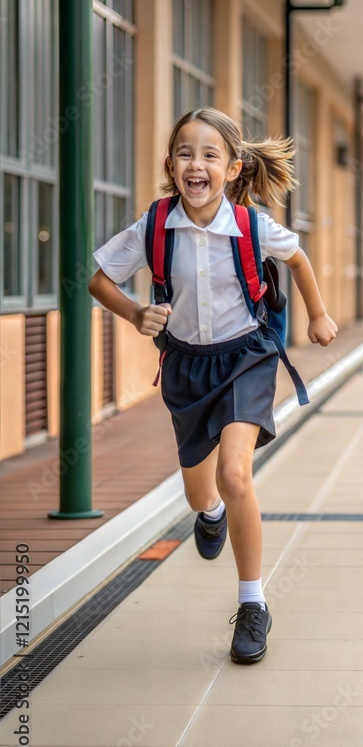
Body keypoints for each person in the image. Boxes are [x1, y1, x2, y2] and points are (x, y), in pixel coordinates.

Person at [89, 108, 337, 662]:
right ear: (170, 164)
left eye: (209, 154)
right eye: (184, 153)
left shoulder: (251, 226)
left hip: (246, 358)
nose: (195, 164)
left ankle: (252, 604)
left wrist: (317, 316)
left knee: (234, 473)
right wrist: (134, 314)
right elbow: (99, 279)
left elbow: (296, 258)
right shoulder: (155, 225)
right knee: (201, 491)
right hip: (185, 366)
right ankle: (210, 515)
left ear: (232, 167)